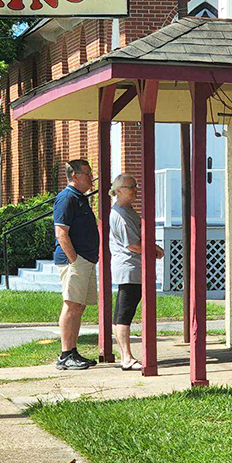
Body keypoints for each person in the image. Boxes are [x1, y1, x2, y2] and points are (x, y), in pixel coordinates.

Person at [109, 173, 164, 371]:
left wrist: (152, 247)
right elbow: (132, 245)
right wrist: (154, 249)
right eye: (131, 187)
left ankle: (125, 356)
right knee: (124, 314)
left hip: (134, 267)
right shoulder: (120, 215)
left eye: (135, 186)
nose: (135, 190)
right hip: (129, 268)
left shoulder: (128, 211)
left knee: (122, 313)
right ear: (118, 190)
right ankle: (127, 358)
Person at [53, 159, 99, 371]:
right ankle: (65, 354)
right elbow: (61, 232)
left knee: (79, 306)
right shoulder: (66, 198)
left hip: (86, 260)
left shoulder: (80, 198)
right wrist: (75, 259)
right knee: (71, 304)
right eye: (87, 174)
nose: (91, 178)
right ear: (75, 176)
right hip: (75, 261)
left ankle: (73, 351)